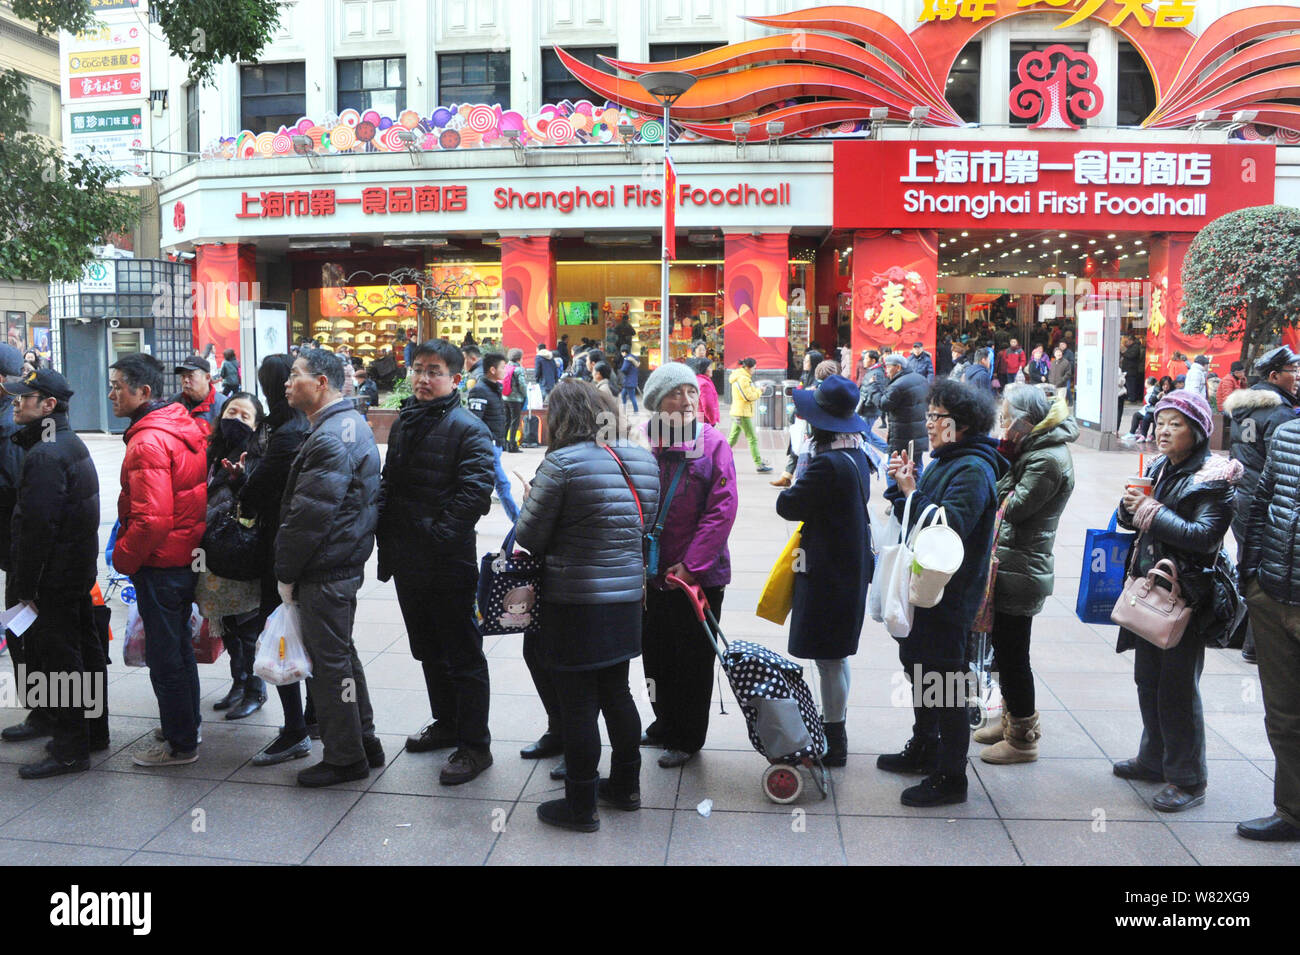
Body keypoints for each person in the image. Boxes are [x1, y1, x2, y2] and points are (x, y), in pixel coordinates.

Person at [512, 381, 658, 831]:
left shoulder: (562, 463)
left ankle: (580, 805)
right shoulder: (642, 458)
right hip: (627, 599)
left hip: (574, 601)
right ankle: (626, 787)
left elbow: (529, 537)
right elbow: (644, 524)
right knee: (617, 691)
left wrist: (528, 502)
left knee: (577, 702)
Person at [880, 378, 1006, 807]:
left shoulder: (972, 468)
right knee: (919, 669)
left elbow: (948, 528)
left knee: (947, 680)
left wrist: (913, 492)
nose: (929, 424)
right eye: (929, 415)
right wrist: (905, 488)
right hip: (926, 590)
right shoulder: (948, 459)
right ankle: (924, 746)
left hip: (948, 595)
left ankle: (951, 776)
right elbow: (920, 514)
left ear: (962, 424)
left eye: (937, 417)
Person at [1114, 389, 1241, 812]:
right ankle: (1153, 759)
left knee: (1178, 689)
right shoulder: (1159, 465)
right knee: (1147, 679)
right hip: (1152, 590)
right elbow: (1134, 521)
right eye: (1161, 421)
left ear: (1199, 431)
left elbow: (1204, 538)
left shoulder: (1215, 478)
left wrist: (1150, 510)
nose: (1164, 430)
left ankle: (1188, 780)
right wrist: (1129, 507)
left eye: (1176, 423)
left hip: (1189, 596)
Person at [376, 340, 496, 785]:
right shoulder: (407, 419)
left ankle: (475, 746)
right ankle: (446, 724)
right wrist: (381, 524)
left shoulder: (469, 428)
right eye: (418, 370)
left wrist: (437, 537)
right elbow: (390, 479)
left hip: (447, 562)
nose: (423, 379)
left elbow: (474, 496)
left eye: (434, 371)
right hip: (407, 558)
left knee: (462, 652)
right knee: (427, 648)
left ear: (455, 379)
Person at [277, 348, 384, 787]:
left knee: (330, 663)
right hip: (339, 562)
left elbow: (308, 518)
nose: (288, 383)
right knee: (341, 654)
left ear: (321, 383)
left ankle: (345, 757)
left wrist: (285, 573)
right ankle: (364, 740)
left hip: (326, 568)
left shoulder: (330, 435)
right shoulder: (342, 425)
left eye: (295, 375)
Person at [3, 369, 105, 778]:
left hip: (53, 578)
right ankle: (92, 731)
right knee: (84, 650)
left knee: (58, 661)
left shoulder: (45, 455)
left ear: (48, 405)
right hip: (73, 572)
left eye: (25, 397)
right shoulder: (64, 443)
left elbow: (37, 528)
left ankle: (69, 748)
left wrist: (26, 586)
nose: (15, 401)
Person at [109, 353, 208, 767]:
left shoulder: (149, 439)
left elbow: (152, 517)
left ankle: (179, 744)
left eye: (118, 387)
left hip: (161, 563)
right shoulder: (177, 426)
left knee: (166, 657)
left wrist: (123, 558)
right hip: (182, 558)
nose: (112, 394)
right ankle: (184, 727)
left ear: (143, 391)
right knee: (179, 650)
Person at [639, 362, 739, 768]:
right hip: (652, 573)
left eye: (692, 392)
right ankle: (664, 722)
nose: (686, 401)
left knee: (692, 659)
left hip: (698, 576)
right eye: (675, 394)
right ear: (656, 405)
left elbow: (722, 510)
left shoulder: (714, 444)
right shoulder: (647, 445)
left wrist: (692, 565)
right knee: (655, 654)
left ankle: (687, 736)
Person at [973, 386, 1077, 764]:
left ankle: (1023, 739)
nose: (1003, 425)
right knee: (1004, 649)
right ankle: (1011, 719)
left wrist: (1006, 462)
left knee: (1014, 654)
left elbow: (1011, 506)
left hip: (1024, 565)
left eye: (1007, 418)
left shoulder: (1046, 459)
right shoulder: (1034, 451)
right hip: (1013, 559)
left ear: (1026, 421)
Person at [774, 375, 874, 767]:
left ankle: (835, 739)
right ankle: (836, 726)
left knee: (828, 659)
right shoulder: (855, 457)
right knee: (836, 657)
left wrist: (800, 472)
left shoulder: (826, 465)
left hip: (829, 572)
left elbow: (789, 506)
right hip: (847, 567)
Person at [230, 355, 317, 765]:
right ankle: (313, 719)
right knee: (308, 634)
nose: (281, 389)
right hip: (299, 549)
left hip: (283, 550)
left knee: (283, 631)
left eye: (285, 381)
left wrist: (243, 483)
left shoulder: (289, 434)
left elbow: (260, 492)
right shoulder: (300, 428)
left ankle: (296, 728)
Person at [1238, 411, 1300, 841]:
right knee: (1283, 716)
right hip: (1273, 592)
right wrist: (1251, 578)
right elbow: (1261, 503)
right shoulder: (1288, 432)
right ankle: (1291, 811)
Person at [1223, 346, 1300, 664]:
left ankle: (1243, 636)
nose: (1296, 378)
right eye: (1292, 372)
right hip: (1263, 500)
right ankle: (1255, 645)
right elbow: (1282, 465)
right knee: (1268, 572)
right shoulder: (1281, 413)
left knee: (1248, 562)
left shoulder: (1243, 407)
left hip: (1239, 495)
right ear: (1274, 376)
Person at [202, 392, 268, 722]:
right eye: (232, 412)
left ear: (257, 425)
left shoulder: (258, 456)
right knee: (225, 621)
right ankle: (238, 683)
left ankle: (255, 688)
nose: (236, 420)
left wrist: (242, 480)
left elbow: (258, 502)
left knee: (247, 624)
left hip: (242, 552)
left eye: (245, 416)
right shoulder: (213, 451)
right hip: (214, 552)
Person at [468, 351, 520, 522]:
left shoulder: (494, 389)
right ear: (492, 369)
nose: (506, 371)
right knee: (503, 485)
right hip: (487, 447)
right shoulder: (479, 391)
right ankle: (518, 522)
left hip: (495, 445)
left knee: (479, 487)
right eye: (503, 368)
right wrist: (483, 444)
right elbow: (474, 423)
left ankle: (466, 520)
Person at [879, 353, 929, 474]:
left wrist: (875, 391)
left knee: (893, 470)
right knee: (916, 467)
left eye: (888, 367)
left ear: (898, 367)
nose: (886, 371)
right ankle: (916, 491)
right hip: (919, 433)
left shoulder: (897, 385)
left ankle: (900, 493)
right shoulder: (921, 379)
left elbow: (883, 404)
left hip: (902, 436)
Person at [726, 357, 771, 473]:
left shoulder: (741, 376)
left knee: (732, 438)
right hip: (742, 413)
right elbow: (748, 396)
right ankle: (759, 464)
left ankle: (717, 457)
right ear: (748, 368)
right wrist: (759, 391)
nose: (754, 370)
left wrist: (756, 390)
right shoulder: (743, 379)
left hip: (739, 411)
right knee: (752, 438)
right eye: (754, 368)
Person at [175, 355, 226, 431]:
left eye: (190, 376)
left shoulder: (223, 405)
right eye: (183, 376)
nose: (185, 380)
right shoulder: (174, 402)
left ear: (207, 377)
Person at [502, 348, 527, 453]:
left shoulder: (505, 367)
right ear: (519, 358)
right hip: (515, 399)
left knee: (506, 421)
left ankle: (503, 444)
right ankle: (513, 445)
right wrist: (525, 395)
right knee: (514, 422)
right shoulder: (519, 369)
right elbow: (522, 385)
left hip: (505, 397)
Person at [1124, 377, 1162, 443]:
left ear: (1149, 384)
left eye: (1145, 382)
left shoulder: (1151, 391)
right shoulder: (1152, 390)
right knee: (1141, 416)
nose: (1144, 384)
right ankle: (1140, 433)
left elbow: (1150, 402)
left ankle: (1133, 433)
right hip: (1150, 410)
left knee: (1137, 415)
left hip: (1152, 410)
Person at [690, 357, 720, 426]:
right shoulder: (704, 384)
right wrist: (712, 420)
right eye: (710, 367)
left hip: (697, 418)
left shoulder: (697, 380)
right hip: (705, 421)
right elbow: (707, 405)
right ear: (704, 369)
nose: (712, 369)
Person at [1121, 335, 1146, 402]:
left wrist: (1124, 353)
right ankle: (1129, 396)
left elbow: (1131, 356)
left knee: (1131, 385)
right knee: (1128, 384)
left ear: (1131, 341)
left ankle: (1132, 398)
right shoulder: (1131, 347)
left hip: (1131, 369)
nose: (1127, 343)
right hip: (1128, 369)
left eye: (1128, 341)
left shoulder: (1135, 347)